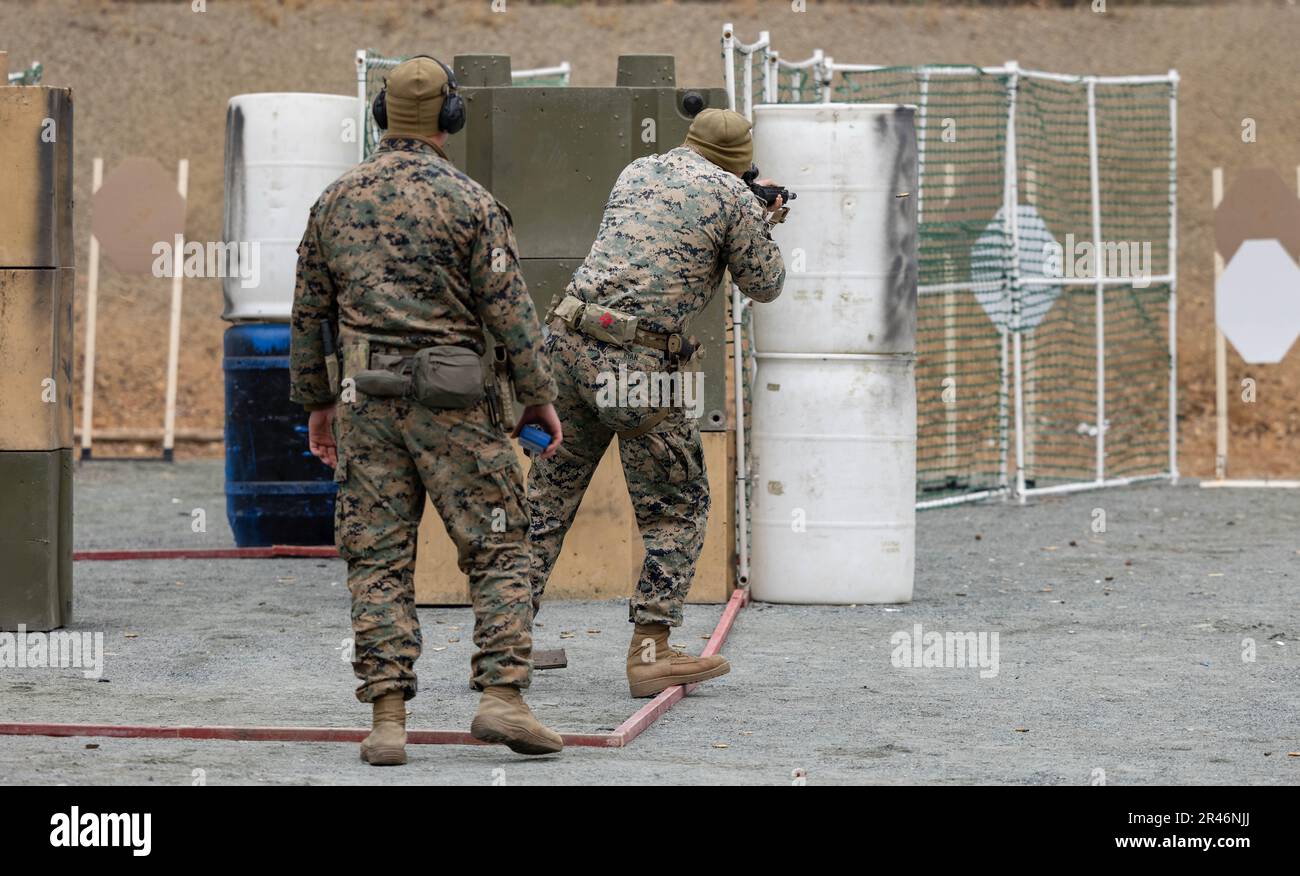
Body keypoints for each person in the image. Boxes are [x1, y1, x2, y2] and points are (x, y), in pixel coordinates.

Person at [289, 55, 565, 763]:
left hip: (365, 404)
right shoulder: (472, 203)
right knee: (500, 546)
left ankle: (387, 721)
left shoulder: (334, 201)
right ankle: (502, 697)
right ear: (450, 117)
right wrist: (538, 397)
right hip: (457, 408)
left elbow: (308, 315)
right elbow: (513, 316)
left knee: (376, 559)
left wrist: (318, 404)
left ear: (381, 115)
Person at [526, 108, 786, 698]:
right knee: (678, 502)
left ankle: (501, 643)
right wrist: (764, 218)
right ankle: (651, 653)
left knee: (546, 496)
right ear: (743, 159)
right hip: (637, 367)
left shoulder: (638, 169)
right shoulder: (735, 198)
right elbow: (766, 284)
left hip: (565, 345)